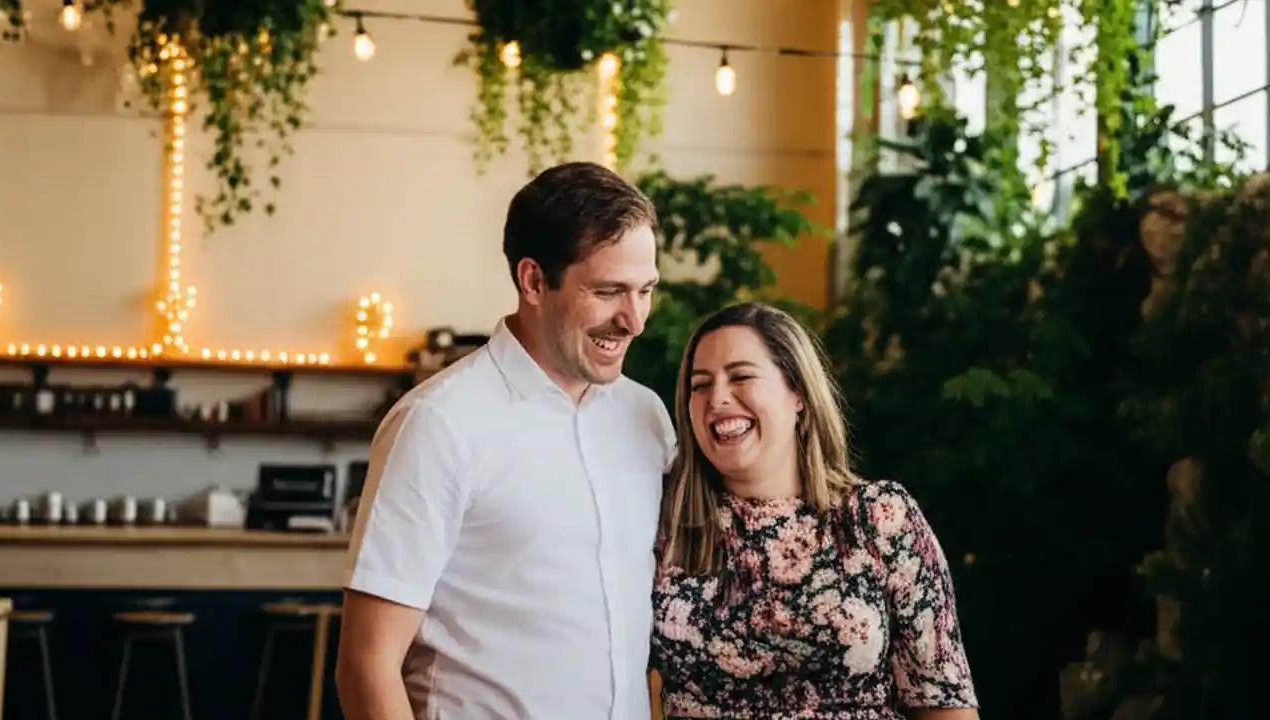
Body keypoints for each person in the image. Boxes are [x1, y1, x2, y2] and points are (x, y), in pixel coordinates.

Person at [336, 162, 675, 720]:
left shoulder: (647, 418)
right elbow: (366, 665)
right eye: (608, 291)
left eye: (645, 291)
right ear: (534, 281)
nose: (634, 321)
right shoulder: (438, 424)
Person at [651, 302, 979, 719]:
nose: (717, 398)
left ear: (799, 394)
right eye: (700, 385)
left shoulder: (879, 519)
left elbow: (944, 703)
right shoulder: (663, 523)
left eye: (741, 376)